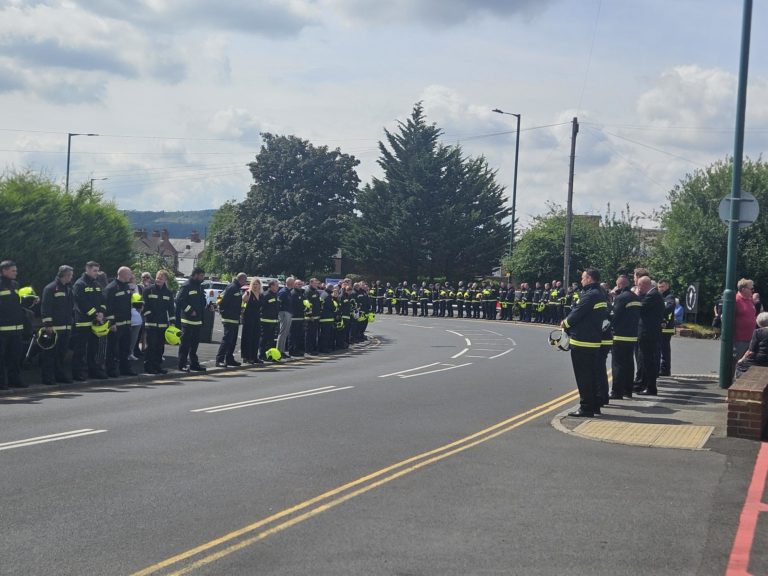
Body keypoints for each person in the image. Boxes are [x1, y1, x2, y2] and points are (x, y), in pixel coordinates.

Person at [561, 268, 608, 417]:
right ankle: (594, 405)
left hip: (582, 341)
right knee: (592, 375)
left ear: (589, 279)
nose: (581, 281)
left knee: (584, 377)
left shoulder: (590, 295)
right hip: (593, 341)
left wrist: (565, 323)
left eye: (583, 278)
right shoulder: (600, 293)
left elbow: (577, 313)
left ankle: (586, 408)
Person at [71, 261, 108, 381]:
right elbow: (81, 303)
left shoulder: (97, 284)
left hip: (95, 323)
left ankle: (93, 371)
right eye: (94, 270)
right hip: (83, 322)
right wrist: (95, 314)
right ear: (87, 269)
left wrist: (101, 312)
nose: (96, 273)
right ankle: (77, 373)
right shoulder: (79, 284)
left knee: (94, 349)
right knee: (80, 350)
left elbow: (103, 300)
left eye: (97, 271)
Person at [40, 265, 75, 385]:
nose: (71, 277)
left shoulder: (68, 289)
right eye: (70, 275)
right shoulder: (50, 288)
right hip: (54, 329)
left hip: (66, 328)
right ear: (64, 275)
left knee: (61, 354)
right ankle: (48, 377)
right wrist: (48, 325)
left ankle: (59, 375)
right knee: (50, 355)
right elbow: (46, 308)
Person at [610, 275, 640, 399]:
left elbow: (614, 316)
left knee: (617, 365)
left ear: (620, 285)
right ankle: (628, 390)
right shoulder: (636, 298)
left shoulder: (621, 298)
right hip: (632, 335)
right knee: (629, 364)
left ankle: (617, 391)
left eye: (617, 285)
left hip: (619, 336)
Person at [104, 266, 136, 378]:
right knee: (112, 349)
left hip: (126, 324)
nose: (131, 276)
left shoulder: (126, 287)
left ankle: (125, 368)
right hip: (116, 325)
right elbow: (108, 307)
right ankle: (111, 370)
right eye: (129, 274)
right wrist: (111, 323)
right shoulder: (111, 288)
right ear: (122, 274)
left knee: (125, 349)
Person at [635, 276, 665, 396]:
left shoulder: (652, 296)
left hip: (648, 333)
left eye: (639, 285)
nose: (638, 288)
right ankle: (647, 385)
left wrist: (636, 295)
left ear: (645, 284)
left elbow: (639, 308)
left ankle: (651, 388)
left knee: (648, 361)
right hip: (650, 333)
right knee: (647, 360)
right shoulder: (654, 295)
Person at [142, 269, 175, 374]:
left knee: (160, 348)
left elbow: (171, 309)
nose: (158, 280)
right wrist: (149, 315)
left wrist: (172, 323)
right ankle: (148, 367)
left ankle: (157, 366)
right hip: (151, 324)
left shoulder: (168, 293)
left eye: (161, 278)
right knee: (151, 347)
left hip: (163, 325)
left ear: (165, 279)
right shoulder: (148, 290)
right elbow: (144, 306)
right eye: (157, 277)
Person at [0, 260, 26, 389]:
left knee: (15, 357)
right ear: (4, 271)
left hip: (17, 329)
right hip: (2, 329)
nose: (16, 273)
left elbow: (19, 304)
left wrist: (31, 300)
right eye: (13, 270)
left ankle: (14, 380)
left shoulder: (16, 285)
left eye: (16, 270)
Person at [175, 266, 207, 372]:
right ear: (196, 275)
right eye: (201, 276)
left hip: (197, 321)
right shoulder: (186, 286)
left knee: (194, 345)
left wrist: (207, 306)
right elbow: (179, 300)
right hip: (187, 321)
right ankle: (182, 365)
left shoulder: (199, 287)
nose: (203, 278)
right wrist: (189, 310)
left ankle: (194, 364)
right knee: (185, 345)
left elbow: (201, 301)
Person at [216, 272, 247, 368]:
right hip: (229, 318)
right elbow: (223, 301)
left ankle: (229, 359)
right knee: (227, 340)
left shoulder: (237, 288)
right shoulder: (232, 287)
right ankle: (219, 360)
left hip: (234, 318)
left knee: (233, 341)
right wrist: (225, 313)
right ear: (241, 279)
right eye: (245, 281)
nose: (245, 283)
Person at [733, 278, 758, 380]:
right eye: (751, 288)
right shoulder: (735, 300)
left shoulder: (750, 300)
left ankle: (742, 382)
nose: (752, 290)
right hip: (739, 338)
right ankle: (733, 384)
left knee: (748, 362)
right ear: (743, 289)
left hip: (750, 338)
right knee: (738, 362)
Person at [735, 312, 768, 378]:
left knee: (740, 366)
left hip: (759, 360)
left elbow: (750, 351)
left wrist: (741, 360)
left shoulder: (758, 332)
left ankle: (740, 384)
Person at [241, 277, 263, 364]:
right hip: (248, 318)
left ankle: (254, 357)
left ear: (259, 285)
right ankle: (247, 357)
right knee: (248, 337)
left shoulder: (261, 295)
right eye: (253, 284)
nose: (254, 286)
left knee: (256, 337)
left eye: (256, 284)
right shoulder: (248, 293)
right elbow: (243, 301)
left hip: (257, 318)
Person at [657, 279, 676, 376]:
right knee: (659, 349)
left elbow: (669, 308)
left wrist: (659, 312)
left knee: (664, 349)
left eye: (662, 286)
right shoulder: (659, 296)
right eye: (659, 287)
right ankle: (661, 368)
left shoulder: (670, 297)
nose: (660, 289)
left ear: (667, 286)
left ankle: (665, 369)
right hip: (660, 327)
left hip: (667, 327)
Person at [260, 280, 280, 361]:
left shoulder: (275, 295)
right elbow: (261, 308)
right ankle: (262, 355)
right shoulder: (266, 295)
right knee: (264, 339)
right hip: (266, 321)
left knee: (271, 340)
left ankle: (269, 355)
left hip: (274, 321)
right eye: (276, 285)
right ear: (271, 286)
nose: (278, 287)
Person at [277, 277, 295, 358]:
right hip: (284, 313)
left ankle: (282, 351)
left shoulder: (288, 291)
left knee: (285, 333)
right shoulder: (283, 292)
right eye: (293, 282)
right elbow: (278, 303)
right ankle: (279, 351)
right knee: (283, 332)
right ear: (291, 283)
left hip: (287, 313)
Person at [129, 293, 144, 361]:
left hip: (134, 320)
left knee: (133, 338)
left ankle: (130, 353)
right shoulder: (136, 296)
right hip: (136, 320)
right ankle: (130, 353)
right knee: (133, 338)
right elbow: (141, 308)